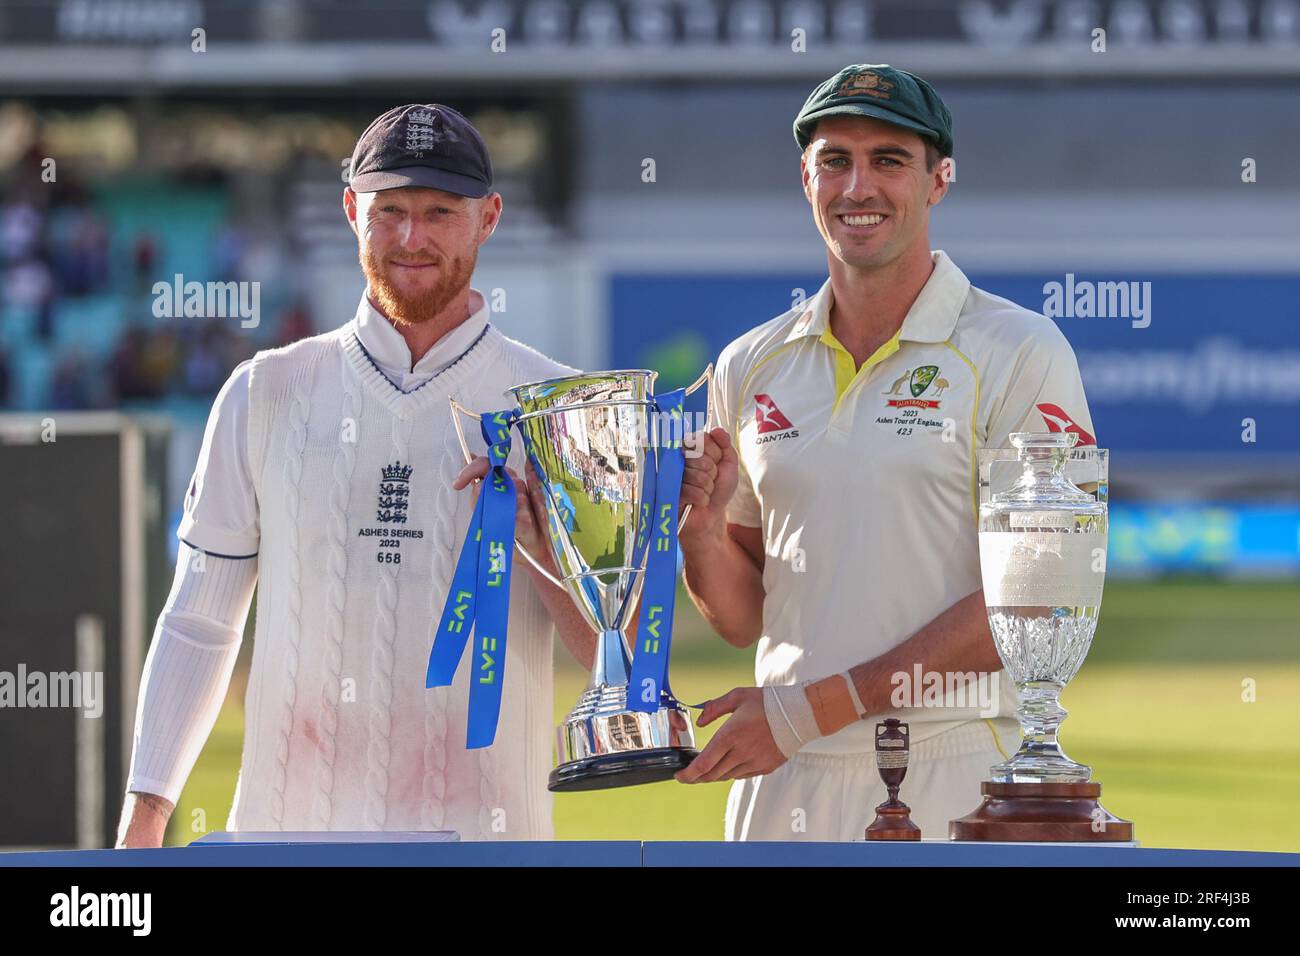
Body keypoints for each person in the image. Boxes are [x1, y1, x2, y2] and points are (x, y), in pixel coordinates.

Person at [116, 104, 592, 847]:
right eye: (390, 209)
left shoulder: (559, 409)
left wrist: (545, 548)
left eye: (440, 211)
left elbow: (614, 659)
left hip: (487, 847)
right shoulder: (264, 390)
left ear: (489, 218)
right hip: (282, 844)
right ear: (350, 210)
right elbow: (200, 623)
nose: (412, 237)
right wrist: (145, 817)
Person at [674, 65, 1097, 840]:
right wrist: (699, 535)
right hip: (783, 774)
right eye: (835, 159)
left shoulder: (1018, 349)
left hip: (951, 766)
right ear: (806, 178)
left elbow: (1035, 596)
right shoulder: (749, 363)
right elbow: (741, 620)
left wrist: (811, 710)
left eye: (889, 160)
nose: (857, 185)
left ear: (939, 181)